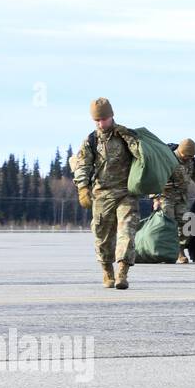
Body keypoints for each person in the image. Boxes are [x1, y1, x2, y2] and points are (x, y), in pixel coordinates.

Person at [73, 98, 142, 289]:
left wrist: (128, 137)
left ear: (112, 116)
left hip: (126, 193)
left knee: (126, 232)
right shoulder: (91, 140)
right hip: (102, 194)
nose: (101, 123)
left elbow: (142, 157)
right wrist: (83, 188)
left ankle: (122, 273)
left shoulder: (125, 135)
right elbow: (83, 165)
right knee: (102, 236)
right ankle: (107, 271)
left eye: (104, 119)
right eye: (97, 120)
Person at [154, 139, 195, 263]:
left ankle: (181, 250)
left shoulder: (191, 161)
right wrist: (155, 199)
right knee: (168, 224)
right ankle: (167, 252)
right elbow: (156, 178)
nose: (189, 158)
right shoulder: (167, 159)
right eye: (187, 156)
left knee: (189, 222)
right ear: (181, 152)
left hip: (182, 197)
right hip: (166, 197)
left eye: (191, 156)